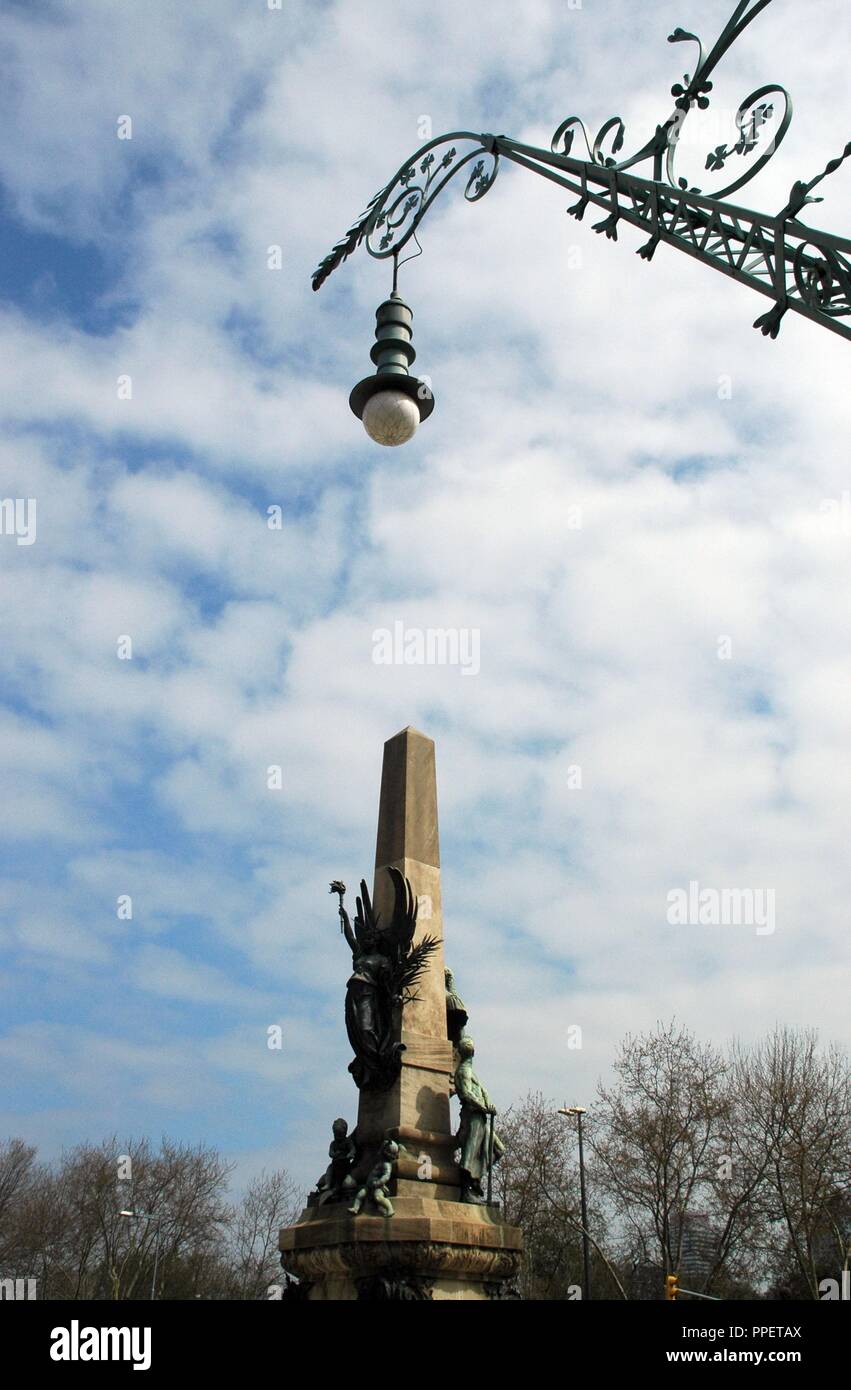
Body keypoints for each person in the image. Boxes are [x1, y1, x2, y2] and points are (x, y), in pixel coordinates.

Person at [454, 1038, 504, 1203]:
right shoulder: (463, 1071)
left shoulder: (469, 1071)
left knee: (498, 1149)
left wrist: (488, 1103)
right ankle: (465, 1192)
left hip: (481, 1116)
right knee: (470, 1153)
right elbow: (467, 1094)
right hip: (473, 1116)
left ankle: (475, 1179)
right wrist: (483, 1107)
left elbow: (479, 1092)